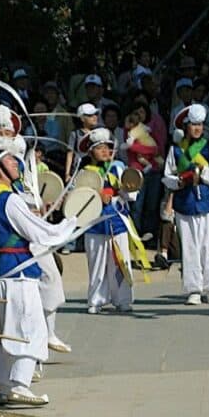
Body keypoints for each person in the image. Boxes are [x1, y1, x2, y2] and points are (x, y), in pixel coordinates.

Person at [0, 136, 76, 407]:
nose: (18, 163)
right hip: (17, 273)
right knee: (28, 327)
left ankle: (7, 385)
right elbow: (39, 232)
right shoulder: (9, 199)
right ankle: (18, 385)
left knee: (7, 329)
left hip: (3, 270)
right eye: (11, 159)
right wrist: (71, 223)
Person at [163, 104, 209, 305]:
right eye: (193, 125)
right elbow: (167, 176)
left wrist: (202, 173)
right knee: (190, 248)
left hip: (206, 202)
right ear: (185, 126)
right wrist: (179, 181)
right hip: (185, 203)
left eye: (200, 124)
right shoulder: (176, 150)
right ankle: (194, 289)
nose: (197, 128)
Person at [80, 128, 136, 313]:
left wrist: (123, 190)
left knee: (120, 263)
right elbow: (78, 198)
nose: (105, 151)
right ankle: (96, 300)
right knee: (97, 264)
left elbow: (131, 193)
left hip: (117, 222)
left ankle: (123, 299)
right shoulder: (84, 172)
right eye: (100, 148)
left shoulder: (118, 167)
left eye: (108, 147)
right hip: (94, 225)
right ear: (91, 152)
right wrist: (97, 196)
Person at [65, 103, 99, 181]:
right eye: (90, 115)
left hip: (97, 169)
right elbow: (70, 154)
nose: (95, 117)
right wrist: (67, 174)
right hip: (79, 170)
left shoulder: (100, 132)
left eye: (95, 114)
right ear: (82, 118)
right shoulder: (75, 134)